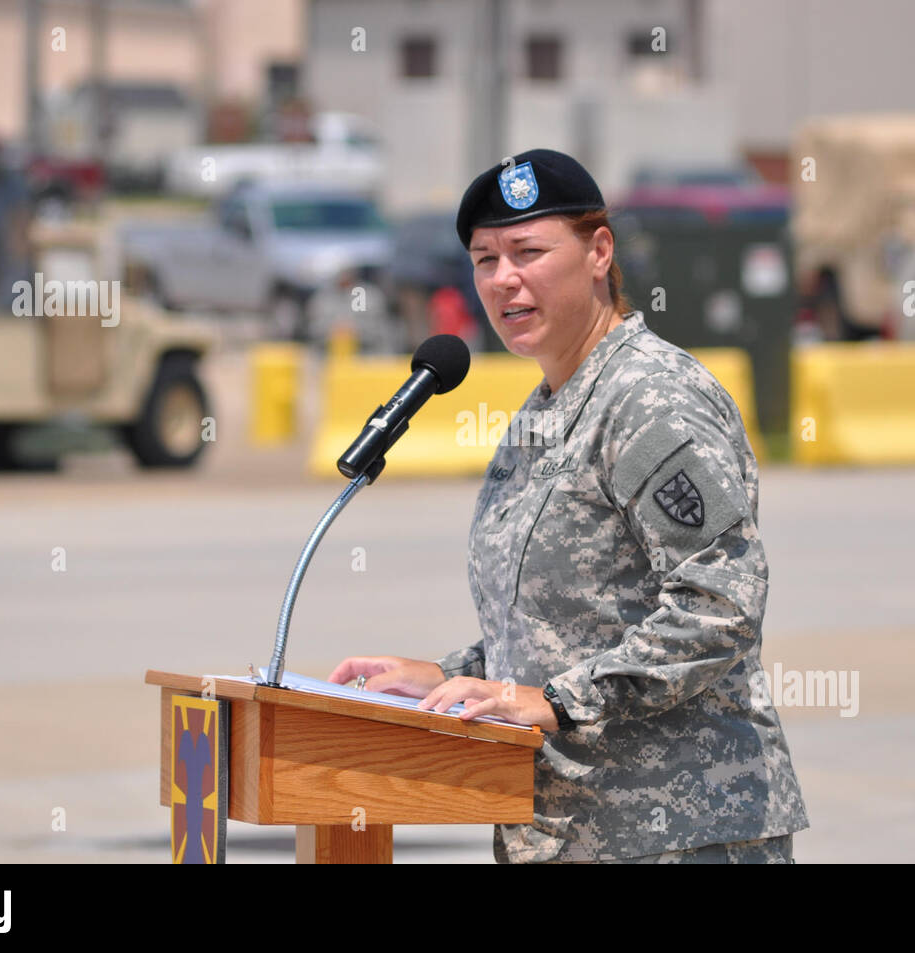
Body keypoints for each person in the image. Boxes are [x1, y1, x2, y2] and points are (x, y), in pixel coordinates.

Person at [329, 148, 808, 864]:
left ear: (599, 252)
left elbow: (720, 603)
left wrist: (557, 701)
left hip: (680, 831)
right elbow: (570, 622)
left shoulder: (648, 400)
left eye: (528, 251)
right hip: (568, 834)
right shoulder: (545, 410)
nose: (503, 279)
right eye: (484, 258)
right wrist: (452, 672)